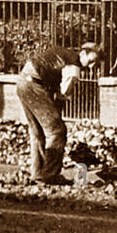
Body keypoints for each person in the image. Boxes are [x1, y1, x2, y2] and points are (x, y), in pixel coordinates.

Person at [14, 41, 102, 184]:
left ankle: (37, 173)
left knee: (37, 131)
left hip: (23, 82)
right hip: (34, 85)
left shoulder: (63, 54)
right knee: (57, 131)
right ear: (84, 53)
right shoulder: (74, 64)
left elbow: (53, 80)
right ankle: (50, 175)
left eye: (95, 63)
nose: (92, 66)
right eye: (92, 61)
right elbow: (65, 91)